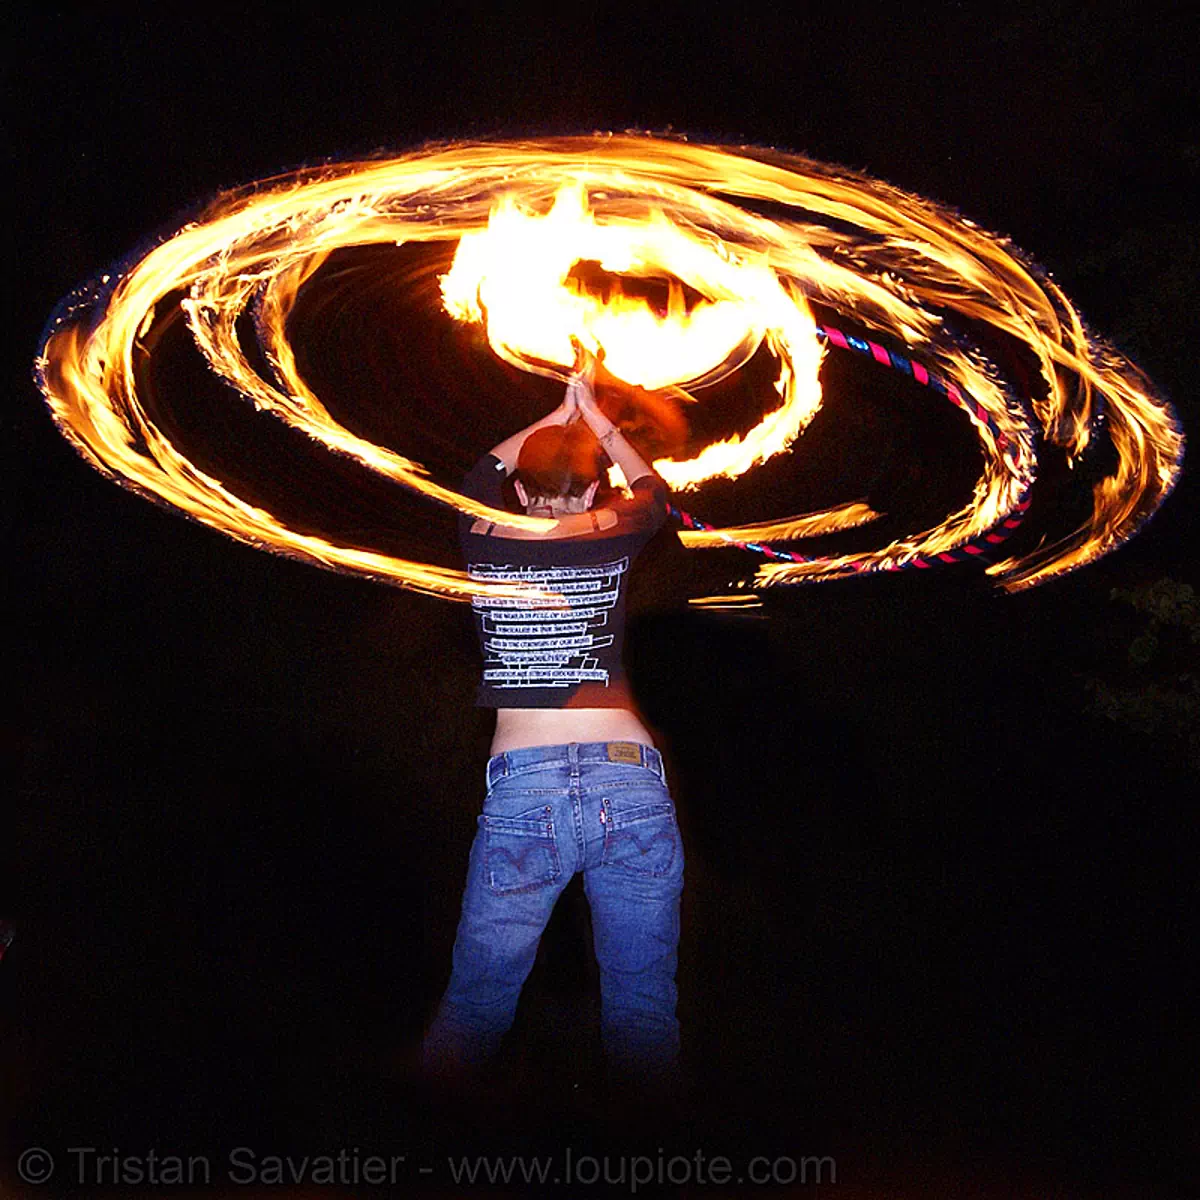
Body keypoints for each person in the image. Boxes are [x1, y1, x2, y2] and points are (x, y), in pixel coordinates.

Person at [424, 348, 682, 1089]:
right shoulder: (613, 530)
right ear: (593, 488)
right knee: (642, 1013)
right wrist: (595, 417)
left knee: (475, 1008)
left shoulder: (481, 536)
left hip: (524, 791)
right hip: (629, 785)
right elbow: (651, 492)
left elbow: (478, 476)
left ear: (522, 494)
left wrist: (553, 415)